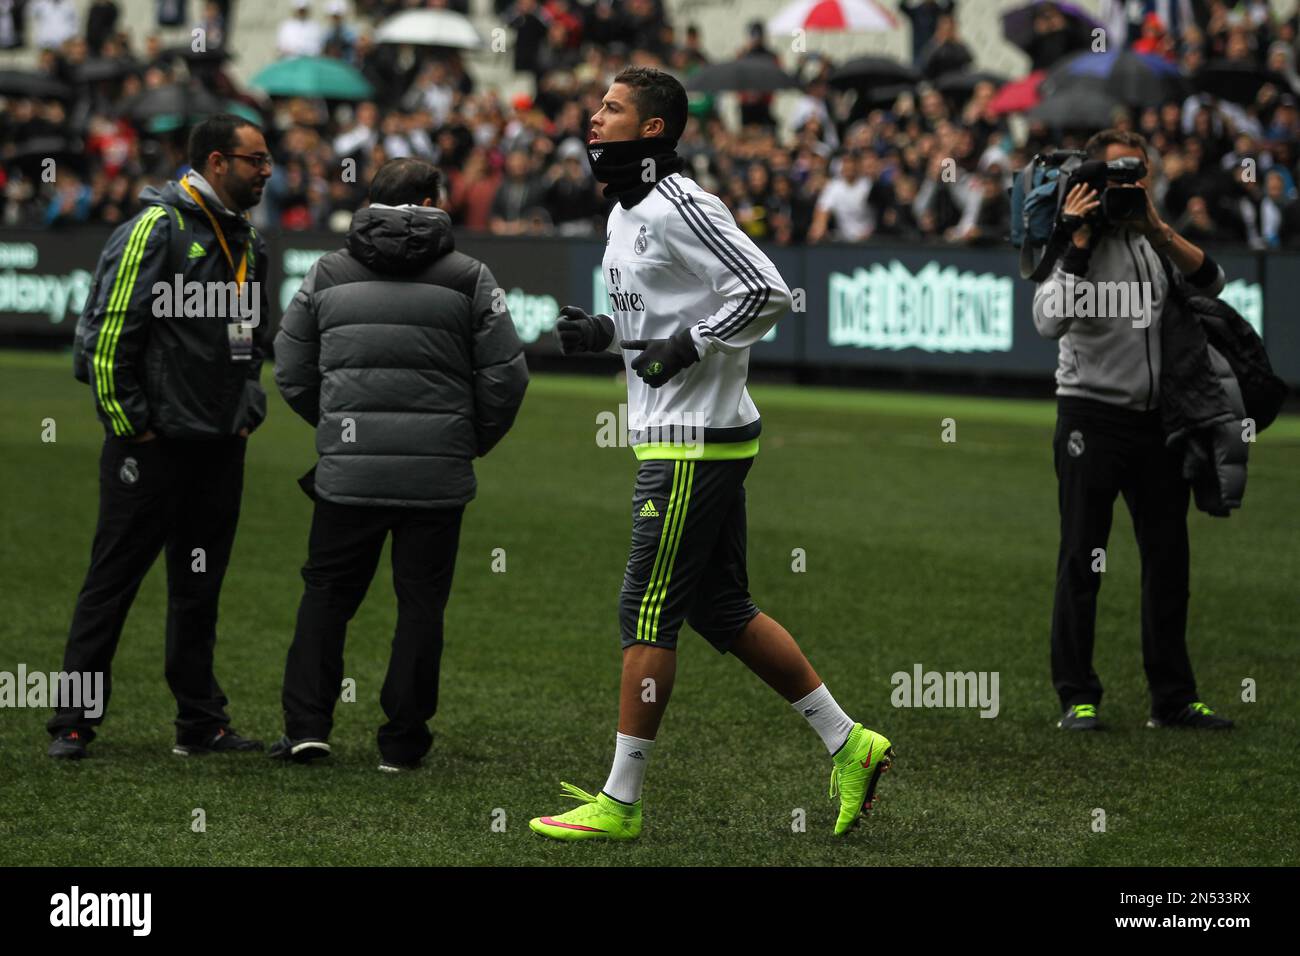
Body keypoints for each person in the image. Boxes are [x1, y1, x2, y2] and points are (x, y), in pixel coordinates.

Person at [531, 67, 894, 841]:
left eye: (612, 108)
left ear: (653, 129)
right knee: (720, 608)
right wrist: (608, 333)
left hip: (692, 442)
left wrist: (689, 344)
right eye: (596, 104)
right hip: (687, 435)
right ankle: (850, 742)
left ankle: (620, 803)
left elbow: (766, 289)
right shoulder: (625, 209)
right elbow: (661, 316)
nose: (594, 118)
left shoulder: (678, 201)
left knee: (646, 608)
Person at [271, 157, 528, 770]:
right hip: (435, 476)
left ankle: (308, 726)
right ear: (435, 199)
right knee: (420, 605)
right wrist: (466, 440)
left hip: (348, 472)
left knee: (327, 596)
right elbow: (506, 377)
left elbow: (290, 368)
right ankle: (402, 742)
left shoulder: (326, 272)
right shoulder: (471, 276)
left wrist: (340, 429)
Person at [49, 114, 273, 759]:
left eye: (268, 161)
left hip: (219, 444)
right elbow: (105, 334)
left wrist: (247, 402)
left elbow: (245, 336)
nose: (266, 172)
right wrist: (133, 426)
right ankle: (72, 721)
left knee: (199, 588)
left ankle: (200, 723)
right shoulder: (154, 227)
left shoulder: (248, 241)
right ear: (216, 161)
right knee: (112, 583)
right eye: (254, 160)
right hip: (150, 450)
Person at [1032, 128, 1235, 732]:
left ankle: (1172, 697)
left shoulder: (1150, 238)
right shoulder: (1076, 237)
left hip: (1156, 423)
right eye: (1116, 176)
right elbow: (1047, 321)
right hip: (1090, 417)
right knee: (1083, 559)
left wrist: (1156, 226)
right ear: (1091, 178)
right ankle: (1077, 695)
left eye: (1137, 175)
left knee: (1168, 560)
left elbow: (1212, 282)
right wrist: (1076, 238)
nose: (1127, 187)